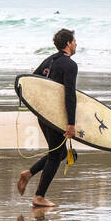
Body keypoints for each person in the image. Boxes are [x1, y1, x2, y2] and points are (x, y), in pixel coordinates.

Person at [17, 28, 78, 208]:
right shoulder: (70, 65)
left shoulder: (49, 60)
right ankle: (39, 196)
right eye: (74, 41)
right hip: (56, 116)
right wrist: (71, 123)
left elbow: (32, 80)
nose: (76, 44)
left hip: (43, 114)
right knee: (55, 154)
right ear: (68, 43)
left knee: (58, 153)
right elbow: (70, 95)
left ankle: (28, 174)